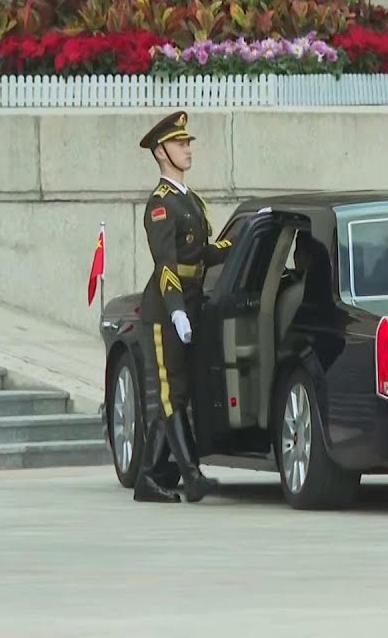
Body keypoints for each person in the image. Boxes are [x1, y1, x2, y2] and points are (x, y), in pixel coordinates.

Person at [133, 110, 232, 504]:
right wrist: (175, 311)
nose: (187, 148)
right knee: (172, 394)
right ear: (160, 152)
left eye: (188, 142)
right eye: (179, 143)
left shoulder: (190, 200)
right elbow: (166, 263)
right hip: (164, 311)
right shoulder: (161, 205)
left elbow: (201, 253)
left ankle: (149, 478)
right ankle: (191, 475)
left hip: (189, 303)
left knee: (179, 394)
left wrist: (236, 243)